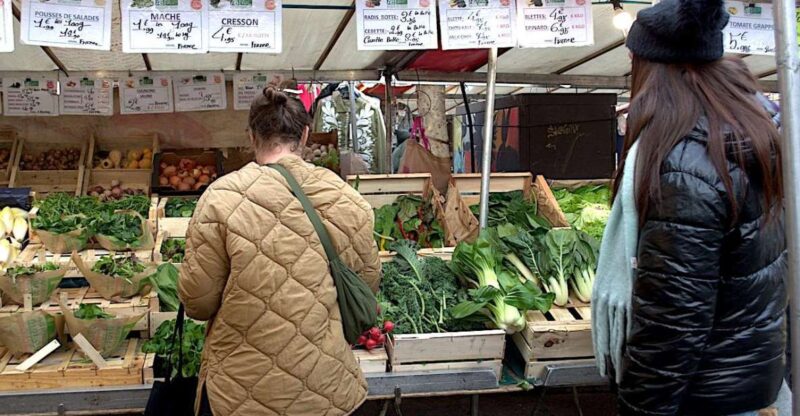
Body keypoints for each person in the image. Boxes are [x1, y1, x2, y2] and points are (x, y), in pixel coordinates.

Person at [612, 0, 789, 414]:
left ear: (654, 70)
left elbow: (675, 317)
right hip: (748, 377)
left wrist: (641, 408)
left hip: (702, 393)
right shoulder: (758, 130)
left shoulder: (686, 163)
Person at [179, 87, 382, 416]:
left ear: (251, 136)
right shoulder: (347, 198)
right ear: (304, 135)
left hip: (241, 395)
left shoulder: (220, 198)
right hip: (328, 390)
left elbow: (198, 303)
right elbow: (367, 287)